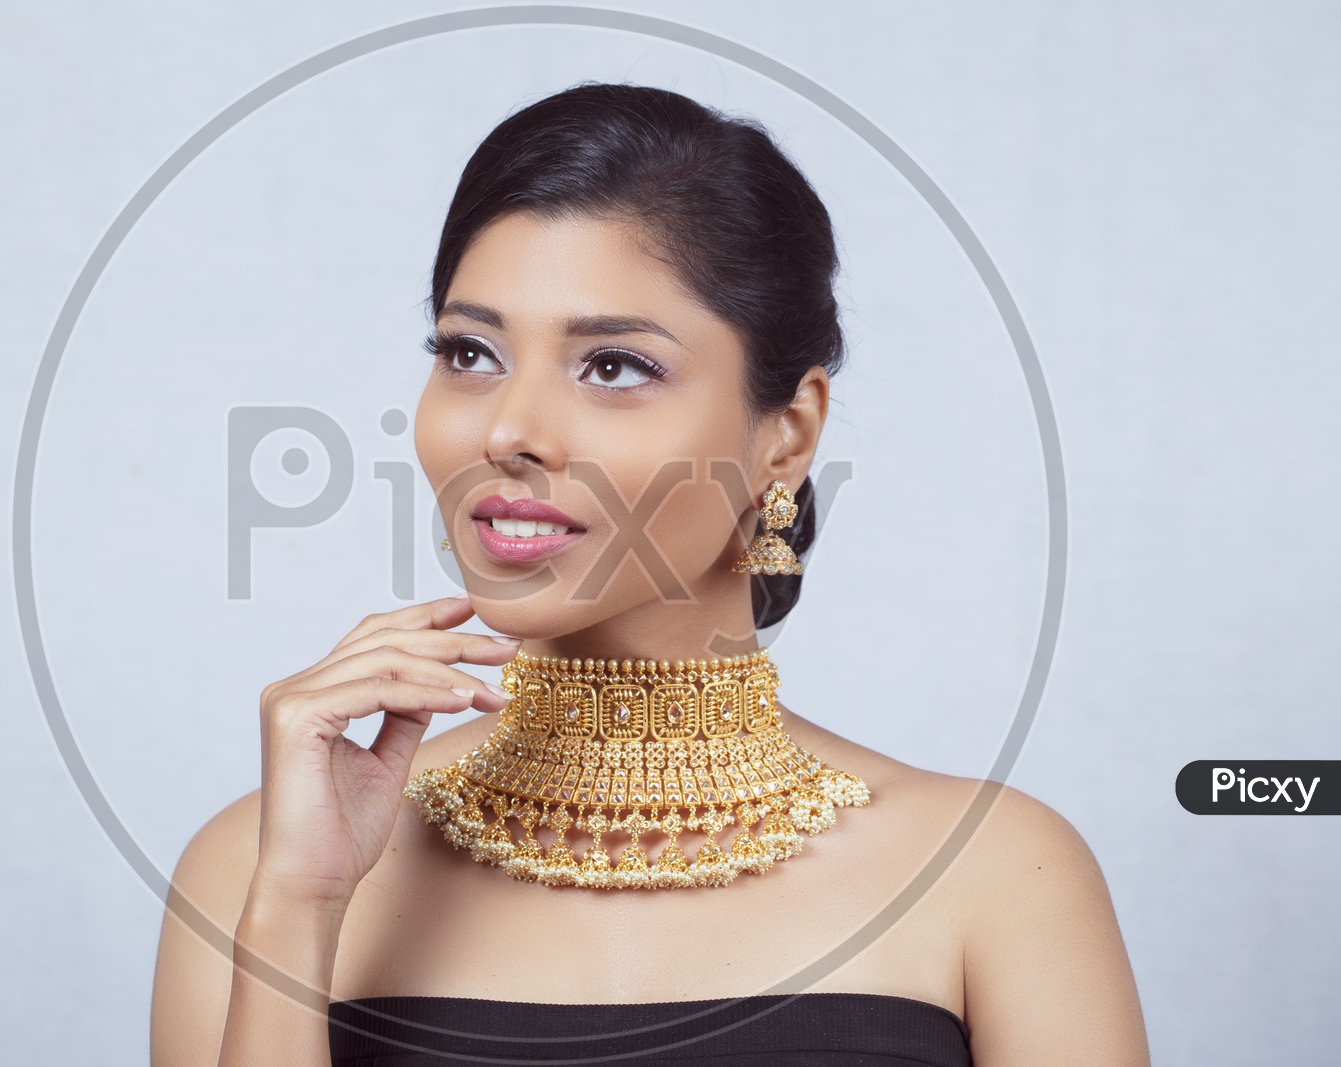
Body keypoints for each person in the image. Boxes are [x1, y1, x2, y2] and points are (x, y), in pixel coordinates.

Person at [149, 82, 1149, 1066]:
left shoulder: (991, 871)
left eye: (614, 366)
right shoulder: (259, 868)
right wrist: (300, 907)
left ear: (785, 434)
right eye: (470, 350)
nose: (508, 429)